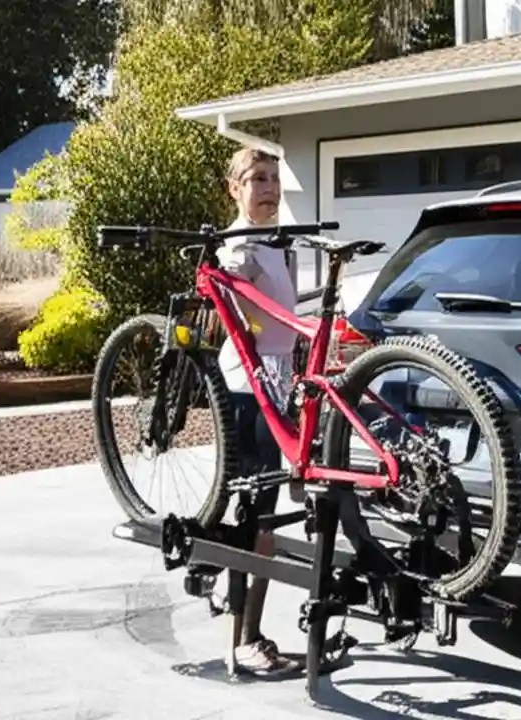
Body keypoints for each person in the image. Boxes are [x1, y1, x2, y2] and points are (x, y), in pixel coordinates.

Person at [216, 146, 302, 678]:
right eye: (256, 179)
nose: (268, 187)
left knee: (265, 517)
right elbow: (233, 293)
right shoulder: (239, 246)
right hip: (246, 386)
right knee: (255, 514)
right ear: (235, 189)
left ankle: (253, 632)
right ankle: (240, 641)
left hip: (280, 381)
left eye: (274, 178)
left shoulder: (278, 243)